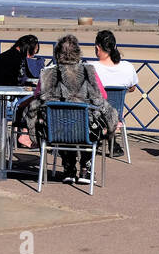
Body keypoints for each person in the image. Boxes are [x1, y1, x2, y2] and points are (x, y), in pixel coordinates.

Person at [23, 34, 118, 184]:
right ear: (78, 53)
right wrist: (112, 123)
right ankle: (85, 169)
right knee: (94, 125)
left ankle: (69, 168)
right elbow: (102, 98)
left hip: (55, 130)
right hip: (86, 129)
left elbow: (36, 100)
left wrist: (32, 132)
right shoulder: (88, 71)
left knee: (60, 123)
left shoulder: (47, 73)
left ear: (57, 54)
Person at [91, 30, 137, 157]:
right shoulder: (127, 67)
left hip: (95, 116)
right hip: (116, 116)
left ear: (97, 47)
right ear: (115, 47)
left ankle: (97, 138)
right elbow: (132, 88)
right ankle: (111, 141)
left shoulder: (91, 67)